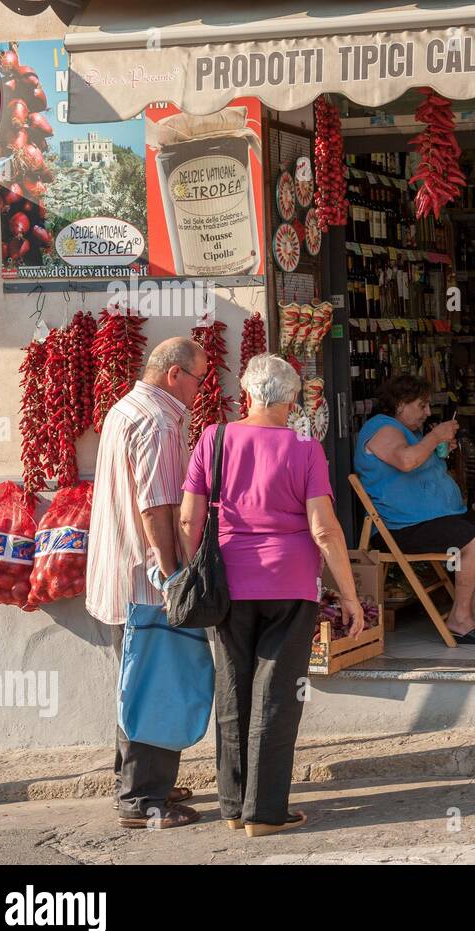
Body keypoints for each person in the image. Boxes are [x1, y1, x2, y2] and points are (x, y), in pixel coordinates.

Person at [179, 354, 364, 837]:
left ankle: (233, 804)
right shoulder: (305, 449)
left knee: (233, 688)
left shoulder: (214, 438)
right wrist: (348, 594)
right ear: (292, 398)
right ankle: (264, 812)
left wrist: (194, 567)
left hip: (227, 585)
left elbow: (187, 519)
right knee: (277, 694)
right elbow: (324, 529)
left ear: (247, 394)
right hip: (290, 585)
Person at [86, 337, 209, 830]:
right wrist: (173, 574)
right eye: (200, 379)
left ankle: (135, 780)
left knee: (133, 682)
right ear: (175, 374)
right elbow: (156, 507)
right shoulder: (158, 422)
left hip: (120, 573)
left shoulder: (126, 408)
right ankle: (143, 799)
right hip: (145, 579)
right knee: (156, 685)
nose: (202, 390)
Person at [355, 374, 475, 645]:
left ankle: (470, 610)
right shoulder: (382, 428)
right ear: (400, 404)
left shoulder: (412, 433)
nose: (427, 412)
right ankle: (459, 619)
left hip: (433, 516)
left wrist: (438, 450)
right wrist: (435, 437)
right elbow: (405, 461)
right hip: (400, 526)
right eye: (421, 405)